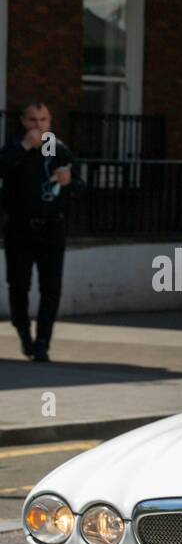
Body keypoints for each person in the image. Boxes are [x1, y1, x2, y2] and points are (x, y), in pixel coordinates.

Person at [2, 103, 78, 362]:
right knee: (19, 285)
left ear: (50, 121)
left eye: (43, 120)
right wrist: (24, 146)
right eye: (33, 120)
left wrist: (69, 180)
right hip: (20, 227)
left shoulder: (59, 149)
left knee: (51, 287)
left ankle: (43, 341)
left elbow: (78, 184)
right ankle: (24, 333)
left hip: (52, 227)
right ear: (23, 121)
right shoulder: (13, 149)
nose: (38, 125)